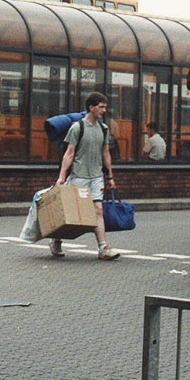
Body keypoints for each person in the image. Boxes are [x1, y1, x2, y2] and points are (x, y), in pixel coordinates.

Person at [52, 91, 120, 260]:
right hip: (79, 176)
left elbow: (105, 154)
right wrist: (62, 177)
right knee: (72, 213)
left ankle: (103, 248)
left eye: (105, 107)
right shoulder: (77, 128)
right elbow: (69, 153)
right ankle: (56, 240)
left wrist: (110, 176)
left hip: (96, 177)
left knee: (98, 209)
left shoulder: (104, 129)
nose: (104, 110)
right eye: (101, 107)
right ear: (91, 107)